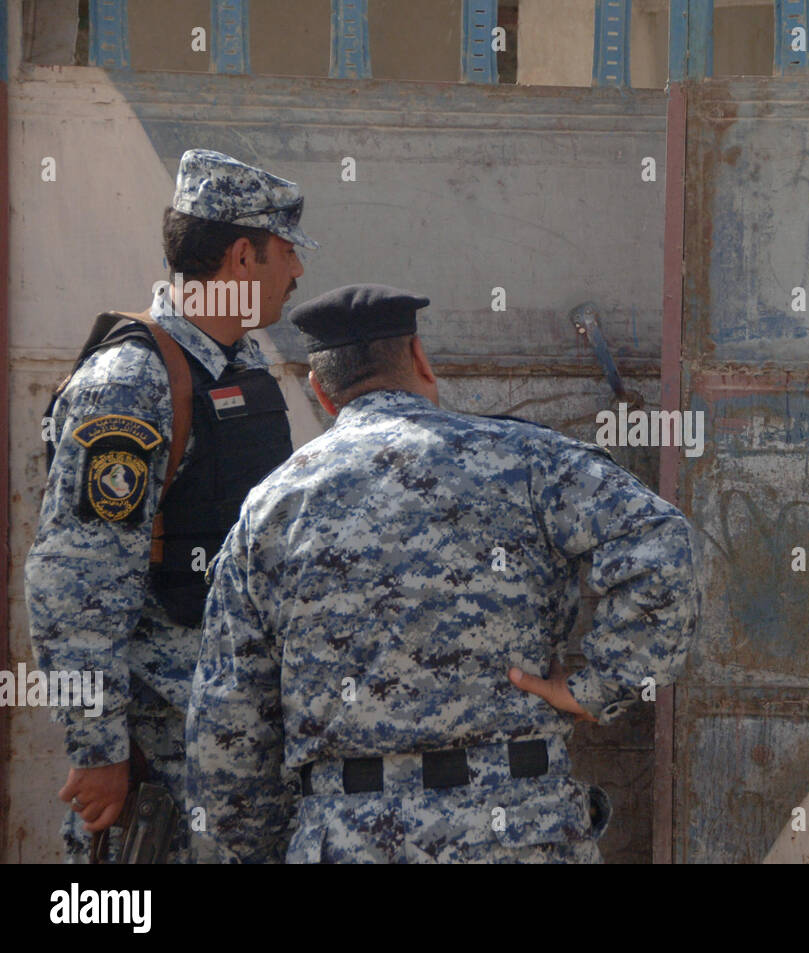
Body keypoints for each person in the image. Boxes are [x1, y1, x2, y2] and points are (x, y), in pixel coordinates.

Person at [186, 284, 700, 863]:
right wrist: (594, 688)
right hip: (518, 832)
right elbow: (659, 541)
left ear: (320, 392)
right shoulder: (529, 459)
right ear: (421, 360)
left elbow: (228, 715)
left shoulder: (271, 509)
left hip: (348, 839)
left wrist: (250, 850)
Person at [26, 149, 317, 862]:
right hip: (161, 766)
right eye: (287, 251)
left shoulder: (240, 367)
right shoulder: (132, 382)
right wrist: (98, 749)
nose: (298, 271)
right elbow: (74, 583)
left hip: (240, 764)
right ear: (243, 255)